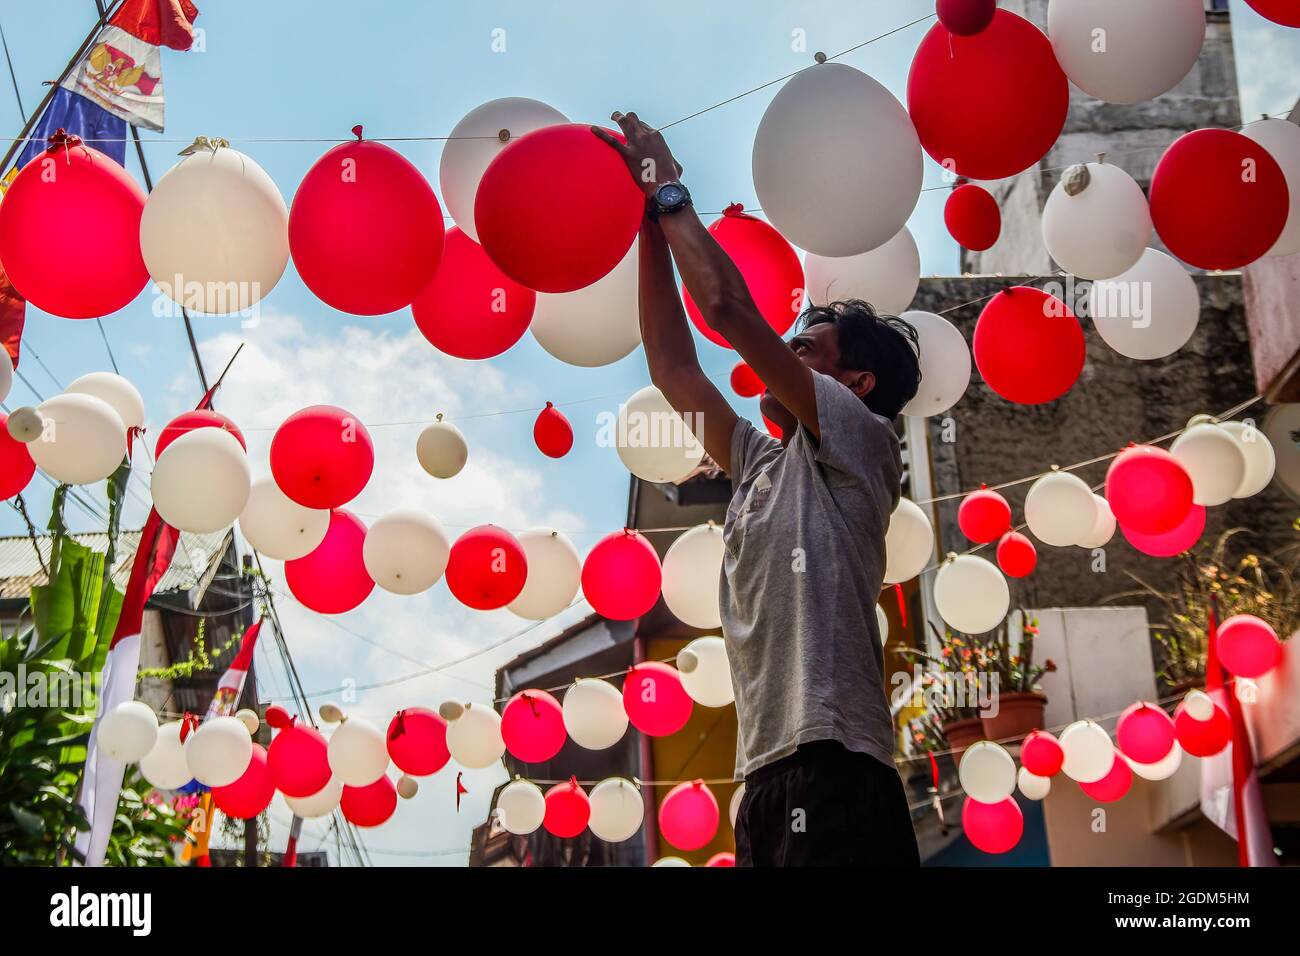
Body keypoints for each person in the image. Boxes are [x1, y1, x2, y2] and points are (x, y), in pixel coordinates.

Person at [593, 112, 924, 867]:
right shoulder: (760, 464)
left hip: (836, 765)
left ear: (853, 382)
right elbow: (675, 371)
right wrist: (647, 224)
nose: (787, 352)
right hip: (769, 777)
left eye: (805, 347)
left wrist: (670, 190)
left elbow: (727, 312)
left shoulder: (861, 437)